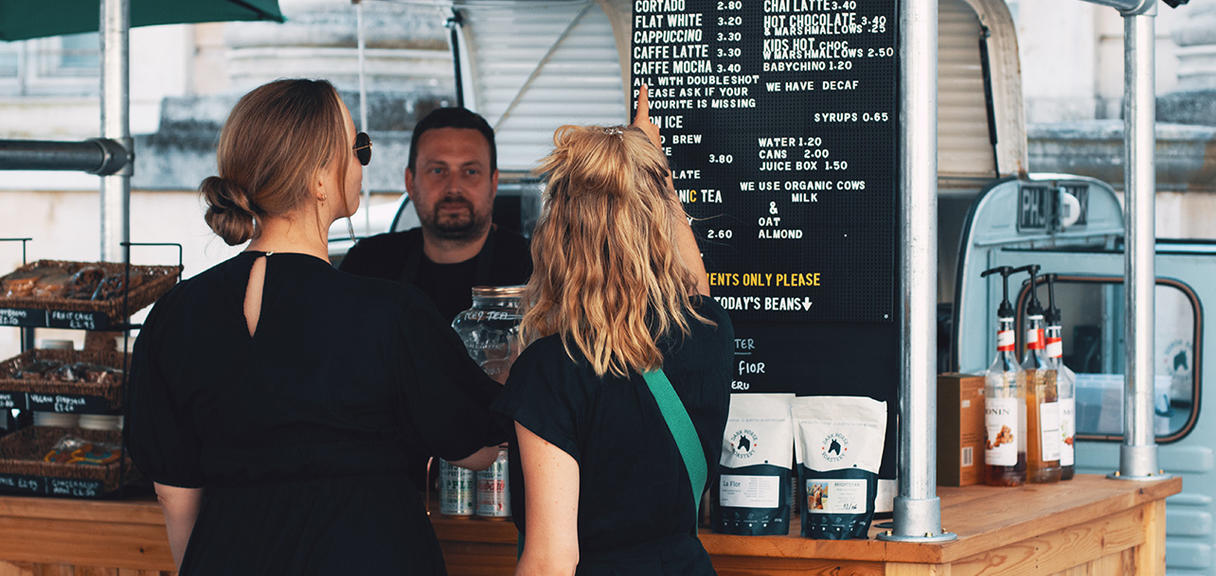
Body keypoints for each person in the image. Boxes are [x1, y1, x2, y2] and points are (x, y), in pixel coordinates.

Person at [124, 79, 505, 575]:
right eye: (358, 147)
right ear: (320, 178)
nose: (363, 162)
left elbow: (174, 494)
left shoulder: (173, 314)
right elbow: (477, 448)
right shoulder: (391, 314)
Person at [493, 86, 734, 575]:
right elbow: (695, 282)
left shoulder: (549, 372)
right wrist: (653, 170)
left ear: (557, 235)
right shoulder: (708, 332)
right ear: (659, 225)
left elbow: (551, 560)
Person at [339, 107, 532, 323]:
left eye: (470, 172)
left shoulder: (536, 270)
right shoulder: (367, 266)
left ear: (493, 182)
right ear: (410, 182)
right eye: (438, 171)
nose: (454, 188)